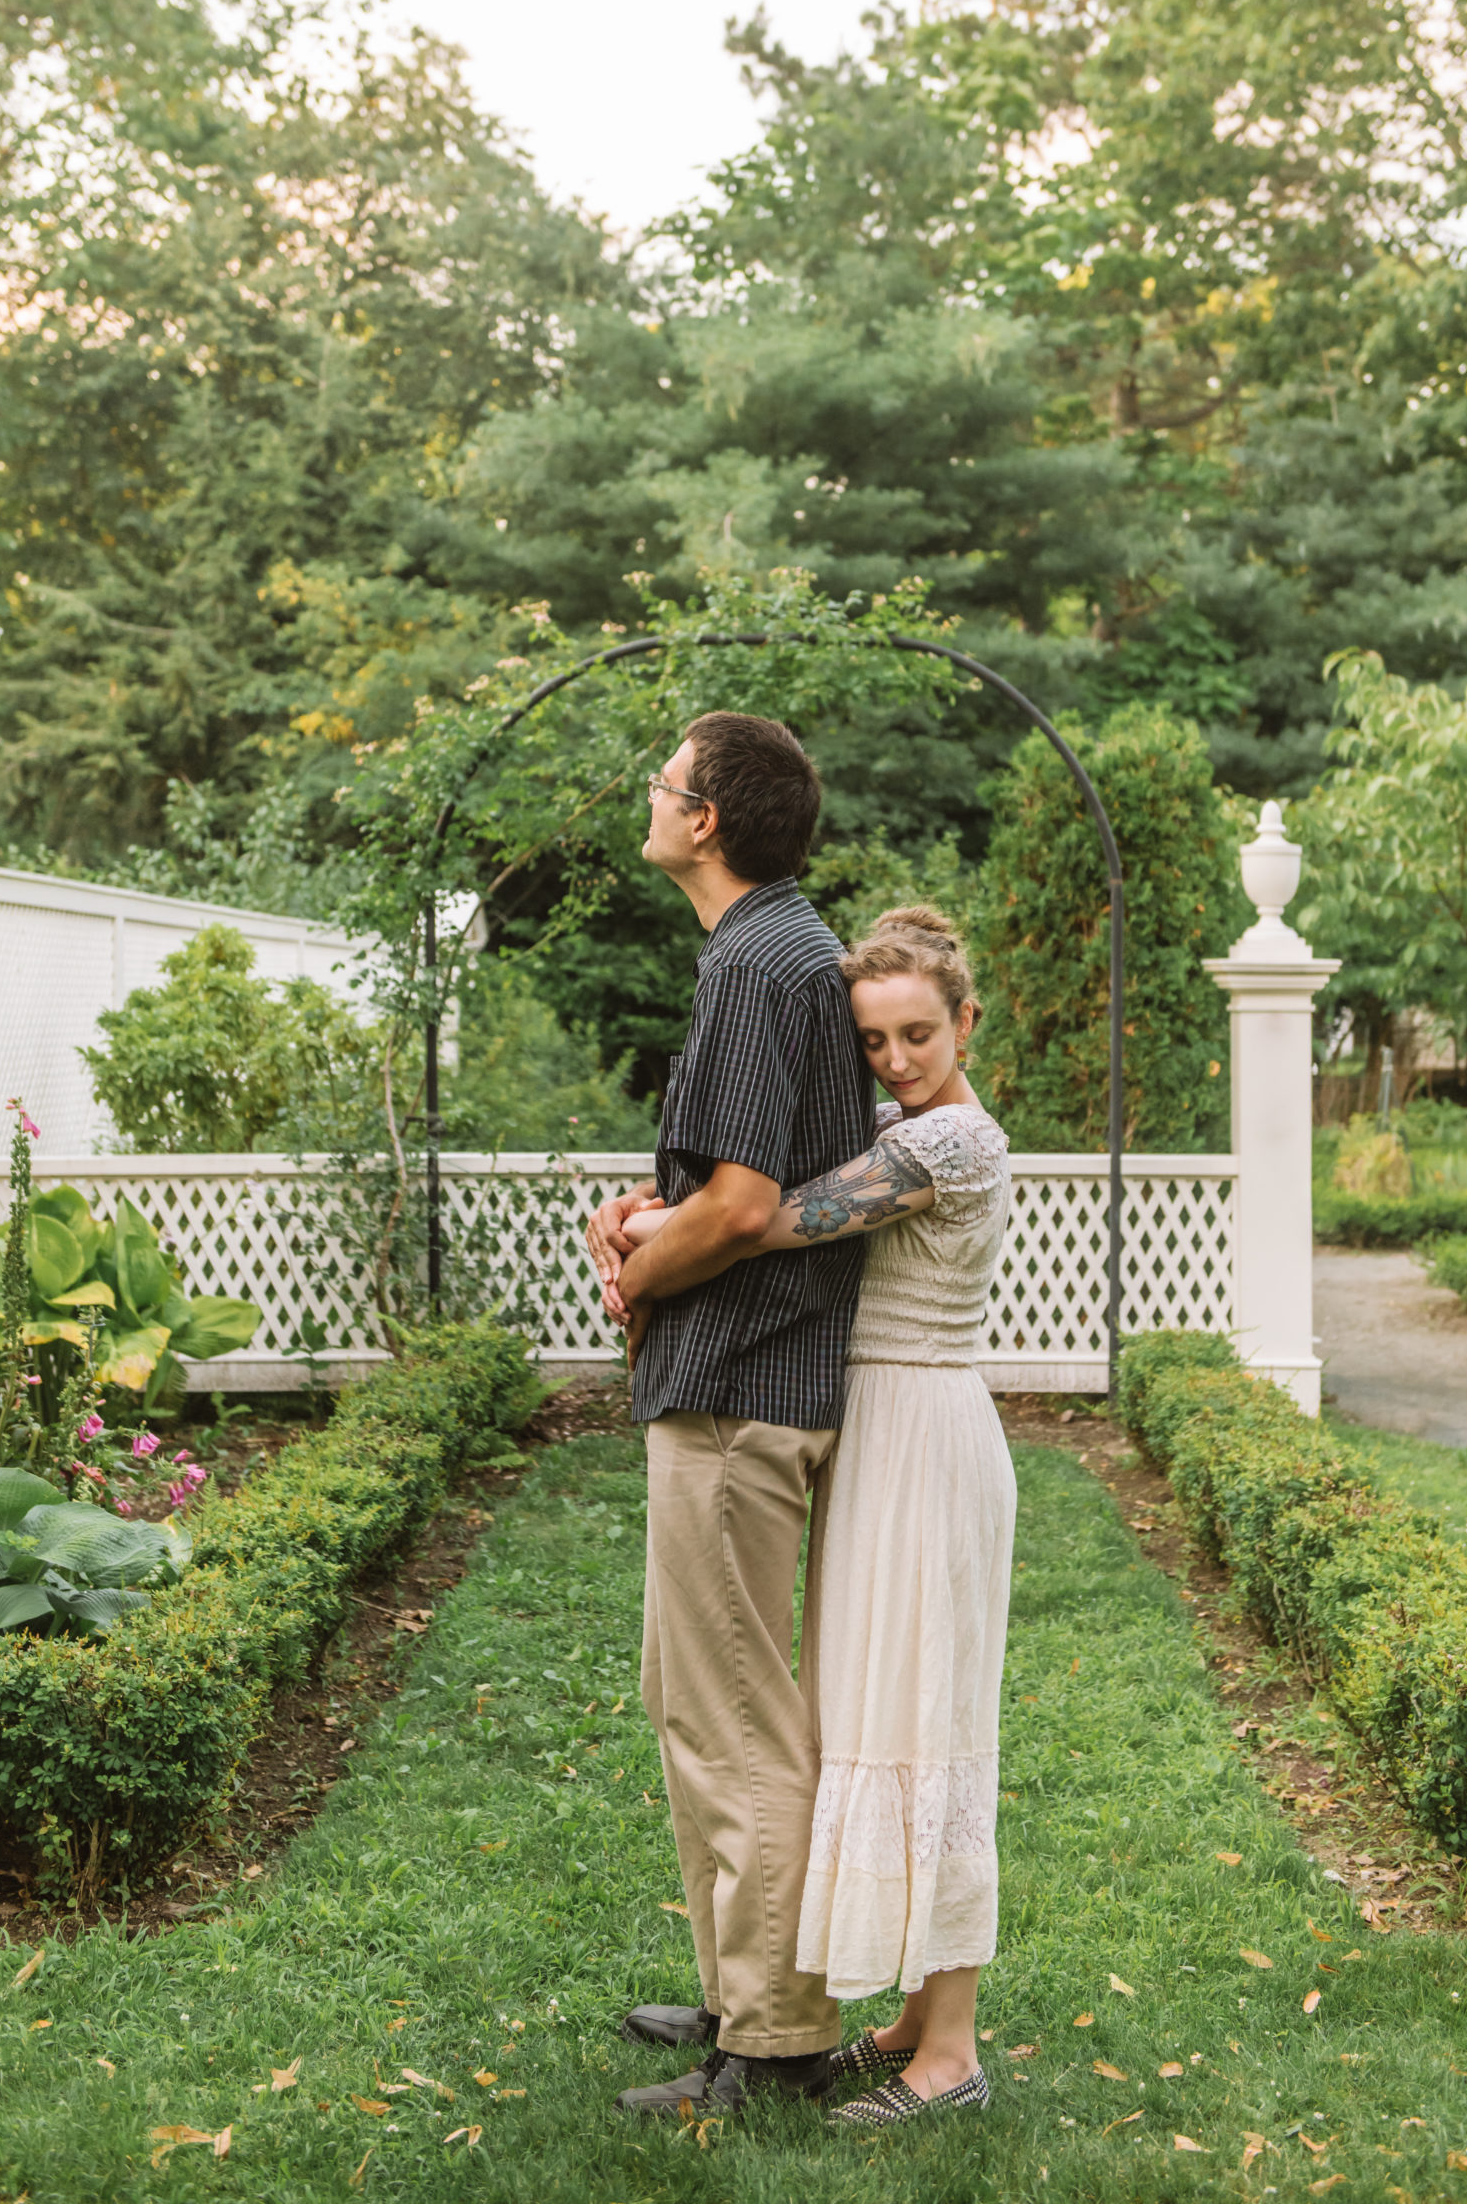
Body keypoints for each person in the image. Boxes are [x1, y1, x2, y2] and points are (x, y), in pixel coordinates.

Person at [617, 906, 1016, 2129]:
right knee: (870, 1727)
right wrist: (655, 1202)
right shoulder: (900, 1125)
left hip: (926, 1443)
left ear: (965, 1021)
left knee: (929, 1733)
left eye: (916, 1034)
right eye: (871, 1042)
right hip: (874, 1439)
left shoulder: (948, 1143)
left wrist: (649, 1231)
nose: (893, 1060)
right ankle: (901, 2023)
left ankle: (950, 2051)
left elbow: (780, 1215)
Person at [584, 711, 874, 2119]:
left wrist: (641, 1269)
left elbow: (749, 1205)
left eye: (662, 782)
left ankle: (774, 2041)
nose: (648, 799)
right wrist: (650, 1215)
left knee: (738, 1716)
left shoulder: (759, 963)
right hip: (738, 1376)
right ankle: (734, 1989)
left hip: (741, 1385)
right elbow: (732, 1183)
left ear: (703, 820)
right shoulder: (769, 950)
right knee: (694, 1699)